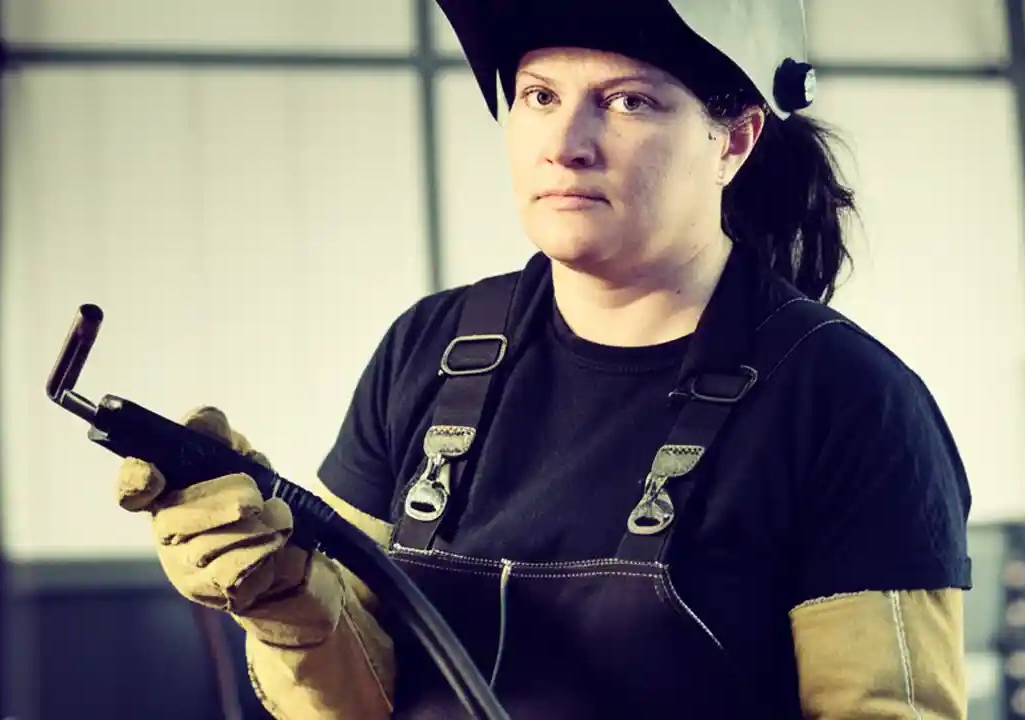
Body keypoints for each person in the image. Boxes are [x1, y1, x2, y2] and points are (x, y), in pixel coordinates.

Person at [115, 0, 973, 717]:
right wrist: (284, 597)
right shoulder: (430, 349)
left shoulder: (850, 401)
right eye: (537, 95)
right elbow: (354, 701)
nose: (566, 142)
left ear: (735, 140)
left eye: (629, 101)